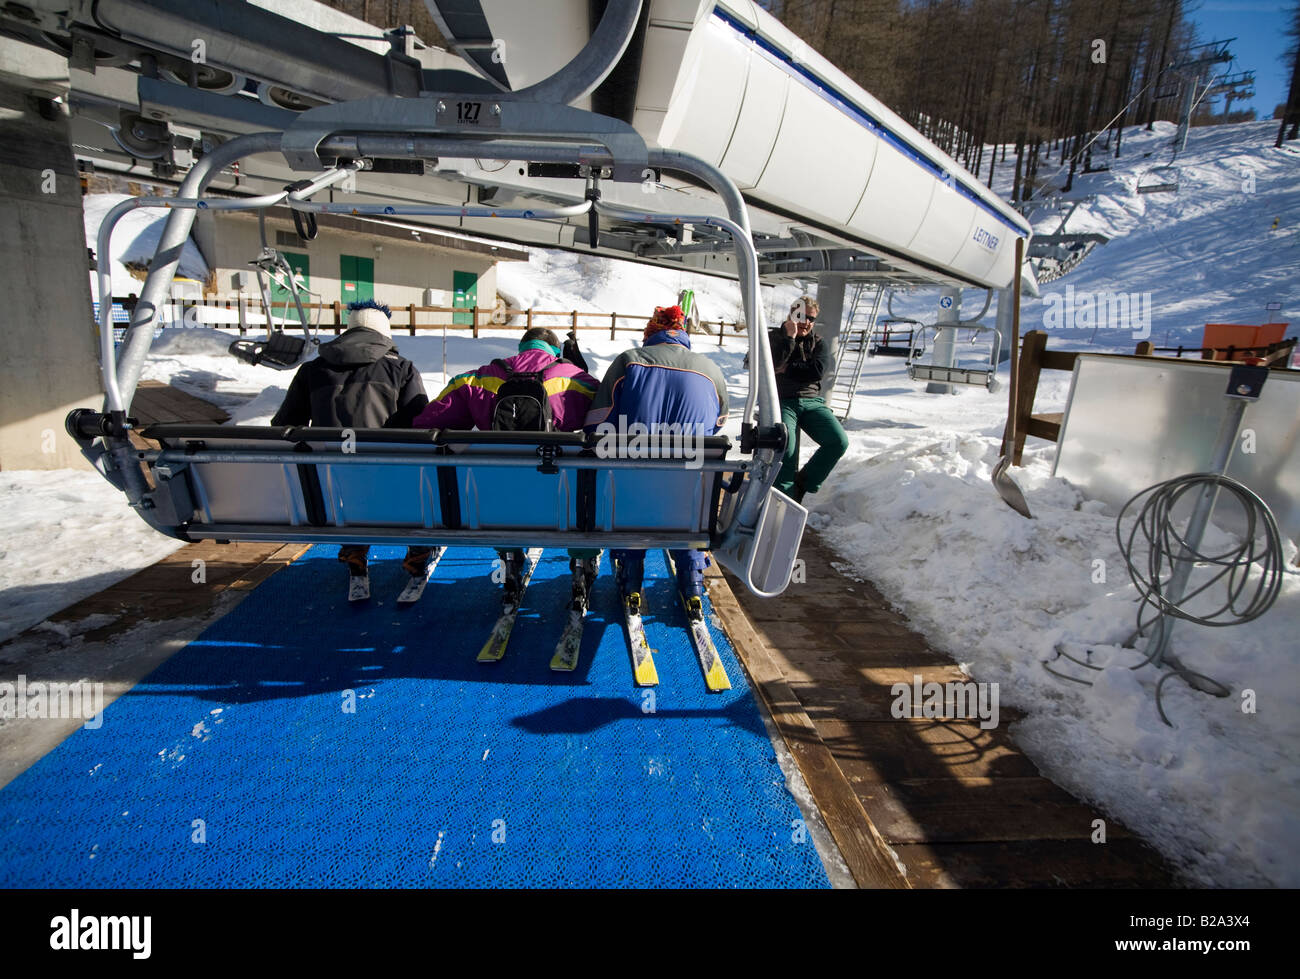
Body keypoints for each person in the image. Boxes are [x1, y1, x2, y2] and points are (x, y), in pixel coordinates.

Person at [413, 326, 600, 609]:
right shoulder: (578, 380)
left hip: (505, 499)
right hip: (561, 497)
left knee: (501, 491)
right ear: (554, 350)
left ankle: (510, 561)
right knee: (581, 492)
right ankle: (581, 564)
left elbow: (427, 424)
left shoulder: (479, 379)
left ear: (521, 349)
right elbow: (607, 423)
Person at [270, 298, 436, 590]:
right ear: (385, 333)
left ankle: (354, 551)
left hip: (332, 480)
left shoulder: (312, 371)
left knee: (349, 480)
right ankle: (417, 554)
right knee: (420, 478)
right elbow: (420, 424)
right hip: (391, 473)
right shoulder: (401, 369)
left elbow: (285, 424)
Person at [584, 305, 729, 620]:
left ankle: (631, 575)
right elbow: (717, 424)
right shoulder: (712, 370)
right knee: (687, 495)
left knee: (631, 484)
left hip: (635, 482)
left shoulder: (628, 362)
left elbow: (596, 423)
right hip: (689, 491)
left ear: (650, 334)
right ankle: (691, 581)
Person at [768, 294, 848, 503]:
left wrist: (789, 369)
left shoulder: (818, 343)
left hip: (812, 401)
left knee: (838, 441)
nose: (806, 322)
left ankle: (804, 482)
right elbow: (774, 365)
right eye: (801, 316)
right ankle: (784, 497)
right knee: (787, 448)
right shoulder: (775, 338)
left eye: (811, 319)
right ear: (792, 313)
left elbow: (817, 371)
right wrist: (789, 339)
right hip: (784, 399)